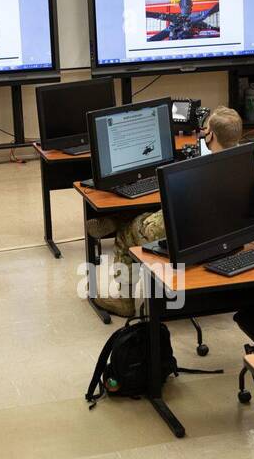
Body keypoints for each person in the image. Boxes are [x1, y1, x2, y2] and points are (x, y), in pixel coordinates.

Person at [91, 107, 244, 318]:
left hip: (185, 238)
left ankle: (124, 300)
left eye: (205, 129)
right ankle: (116, 220)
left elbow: (172, 214)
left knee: (128, 232)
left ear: (211, 135)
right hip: (219, 235)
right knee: (152, 210)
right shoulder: (244, 162)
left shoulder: (201, 170)